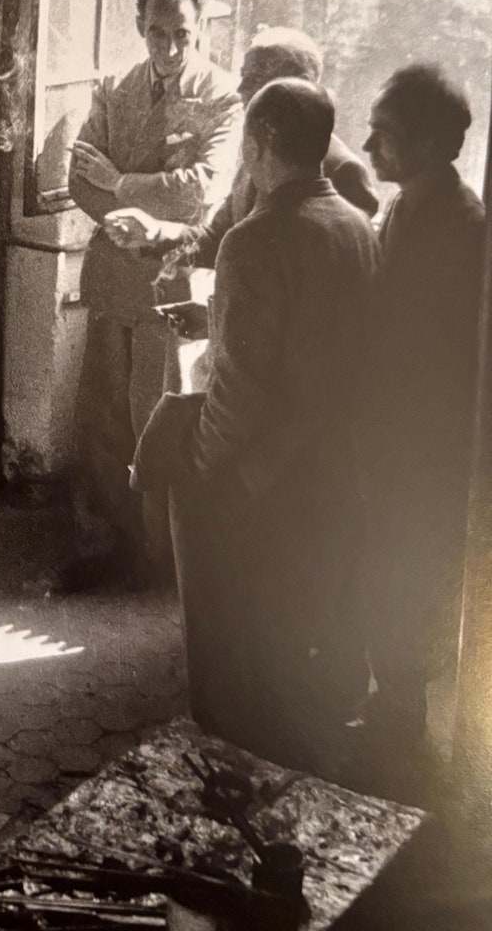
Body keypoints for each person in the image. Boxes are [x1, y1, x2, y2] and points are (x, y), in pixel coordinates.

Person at [162, 80, 379, 772]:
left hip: (266, 477)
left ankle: (234, 759)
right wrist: (215, 318)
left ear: (259, 146)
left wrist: (201, 464)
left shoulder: (254, 238)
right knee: (302, 632)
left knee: (241, 659)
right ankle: (299, 762)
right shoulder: (355, 225)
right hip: (336, 468)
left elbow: (241, 387)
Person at [63, 0, 242, 591]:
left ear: (201, 29)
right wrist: (122, 213)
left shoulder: (222, 97)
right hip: (114, 273)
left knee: (154, 419)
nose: (169, 47)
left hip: (171, 279)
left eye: (182, 34)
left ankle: (158, 556)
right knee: (102, 417)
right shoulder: (115, 88)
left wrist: (120, 182)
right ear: (140, 27)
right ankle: (103, 544)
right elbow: (79, 177)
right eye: (157, 33)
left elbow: (202, 190)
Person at [357, 64, 484, 775]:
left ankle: (403, 731)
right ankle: (393, 706)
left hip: (422, 444)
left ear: (432, 145)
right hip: (392, 433)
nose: (368, 147)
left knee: (410, 575)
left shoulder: (461, 230)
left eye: (386, 135)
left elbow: (428, 351)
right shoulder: (408, 206)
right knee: (386, 571)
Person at [121, 26, 378, 269]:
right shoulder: (256, 156)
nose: (240, 89)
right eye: (243, 76)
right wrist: (156, 233)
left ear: (300, 84)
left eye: (254, 78)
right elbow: (216, 240)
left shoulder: (342, 170)